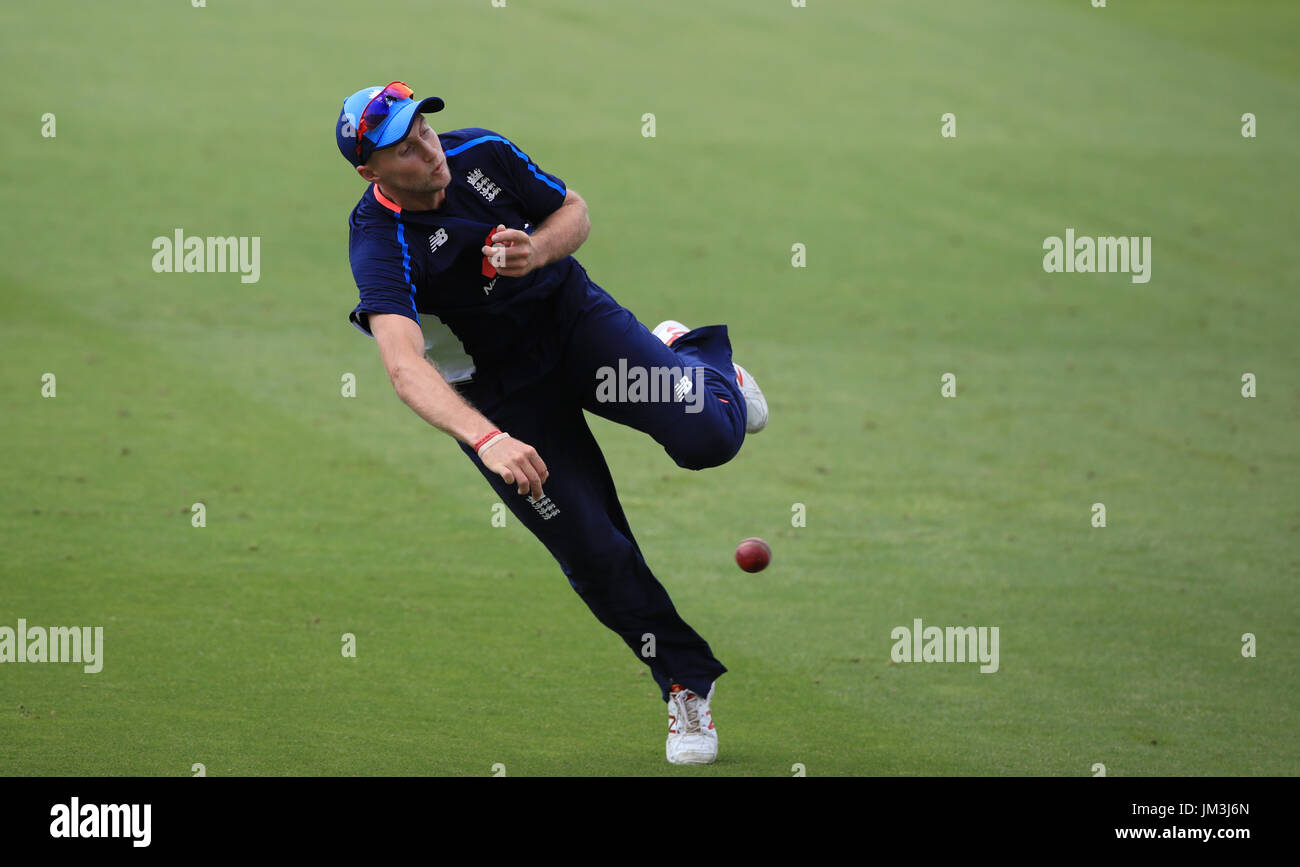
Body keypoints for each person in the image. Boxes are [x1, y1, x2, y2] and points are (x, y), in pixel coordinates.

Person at [335, 82, 768, 765]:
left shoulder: (480, 152)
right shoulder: (381, 244)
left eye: (423, 130)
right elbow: (403, 366)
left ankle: (701, 364)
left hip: (578, 330)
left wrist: (536, 251)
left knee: (708, 438)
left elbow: (573, 211)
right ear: (372, 172)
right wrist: (487, 436)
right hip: (502, 400)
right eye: (403, 149)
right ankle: (684, 680)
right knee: (594, 551)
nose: (427, 150)